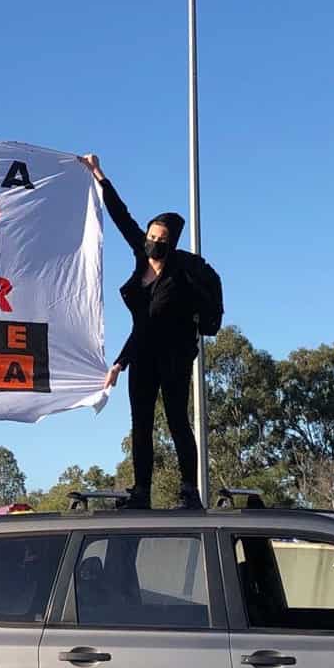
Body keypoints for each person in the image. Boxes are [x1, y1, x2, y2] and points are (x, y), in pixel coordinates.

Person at [81, 153, 222, 510]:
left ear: (170, 242)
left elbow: (150, 322)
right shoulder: (141, 258)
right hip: (143, 354)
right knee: (140, 423)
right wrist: (99, 175)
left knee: (176, 420)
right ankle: (141, 490)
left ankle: (190, 492)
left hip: (173, 356)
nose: (153, 242)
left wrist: (118, 362)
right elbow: (121, 216)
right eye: (150, 235)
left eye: (160, 238)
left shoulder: (178, 276)